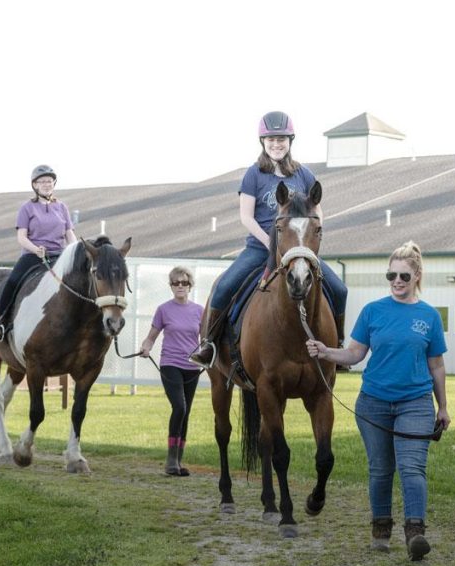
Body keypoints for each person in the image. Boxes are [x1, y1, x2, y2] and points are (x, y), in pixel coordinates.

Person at [306, 241, 450, 561]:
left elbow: (437, 366)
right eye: (391, 275)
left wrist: (442, 406)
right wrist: (326, 351)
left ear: (416, 276)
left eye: (403, 275)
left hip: (415, 403)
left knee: (412, 468)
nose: (396, 281)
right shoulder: (373, 311)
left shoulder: (429, 316)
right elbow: (354, 353)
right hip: (373, 403)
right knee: (381, 470)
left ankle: (415, 533)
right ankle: (381, 530)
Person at [188, 110, 348, 367]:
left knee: (339, 289)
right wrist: (269, 242)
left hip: (298, 249)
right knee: (223, 287)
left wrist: (309, 239)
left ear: (290, 141)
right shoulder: (253, 174)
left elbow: (317, 211)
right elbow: (246, 216)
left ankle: (337, 346)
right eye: (271, 139)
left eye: (281, 139)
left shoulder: (304, 175)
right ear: (262, 141)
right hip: (260, 247)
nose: (276, 144)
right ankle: (208, 345)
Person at [0, 164, 77, 341]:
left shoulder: (62, 207)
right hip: (33, 255)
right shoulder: (27, 208)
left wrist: (75, 251)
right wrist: (36, 249)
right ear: (35, 185)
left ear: (54, 183)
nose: (46, 184)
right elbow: (21, 237)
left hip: (59, 256)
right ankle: (1, 322)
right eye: (42, 182)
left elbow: (69, 234)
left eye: (49, 181)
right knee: (13, 281)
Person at [140, 266, 204, 476]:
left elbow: (205, 340)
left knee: (186, 412)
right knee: (179, 407)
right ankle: (170, 460)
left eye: (184, 283)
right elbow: (151, 337)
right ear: (171, 286)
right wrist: (146, 347)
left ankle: (178, 460)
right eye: (176, 283)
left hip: (192, 367)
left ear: (190, 286)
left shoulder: (199, 311)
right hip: (170, 364)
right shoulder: (163, 310)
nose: (180, 286)